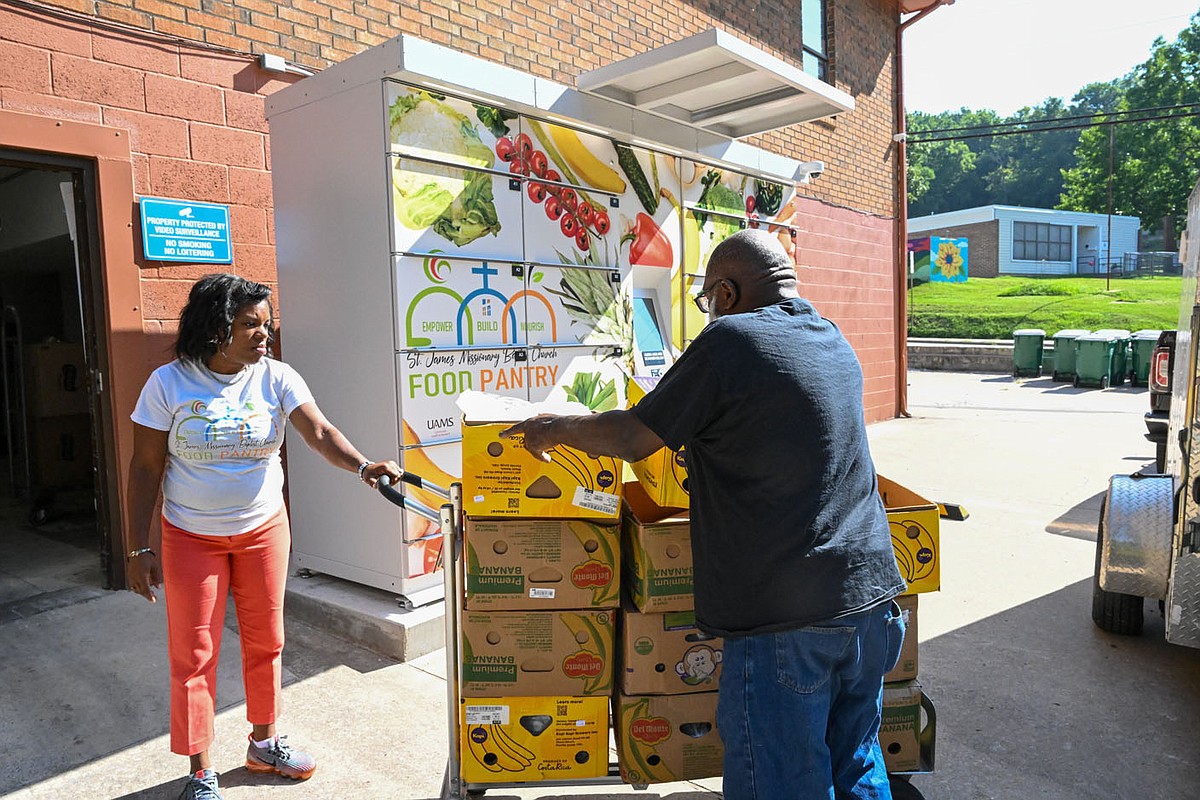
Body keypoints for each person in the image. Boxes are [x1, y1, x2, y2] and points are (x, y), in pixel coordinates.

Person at [502, 229, 907, 799]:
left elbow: (634, 436)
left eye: (707, 301)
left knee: (783, 783)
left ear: (730, 291)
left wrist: (553, 427)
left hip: (786, 623)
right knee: (856, 765)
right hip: (871, 602)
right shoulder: (829, 336)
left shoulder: (733, 342)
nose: (707, 314)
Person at [124, 274, 402, 800]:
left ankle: (264, 742)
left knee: (266, 640)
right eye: (251, 324)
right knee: (194, 651)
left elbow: (319, 432)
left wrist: (364, 467)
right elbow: (144, 468)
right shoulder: (168, 384)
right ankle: (200, 769)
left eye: (266, 324)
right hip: (190, 536)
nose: (264, 334)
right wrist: (138, 547)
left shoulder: (276, 377)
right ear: (214, 327)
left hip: (263, 529)